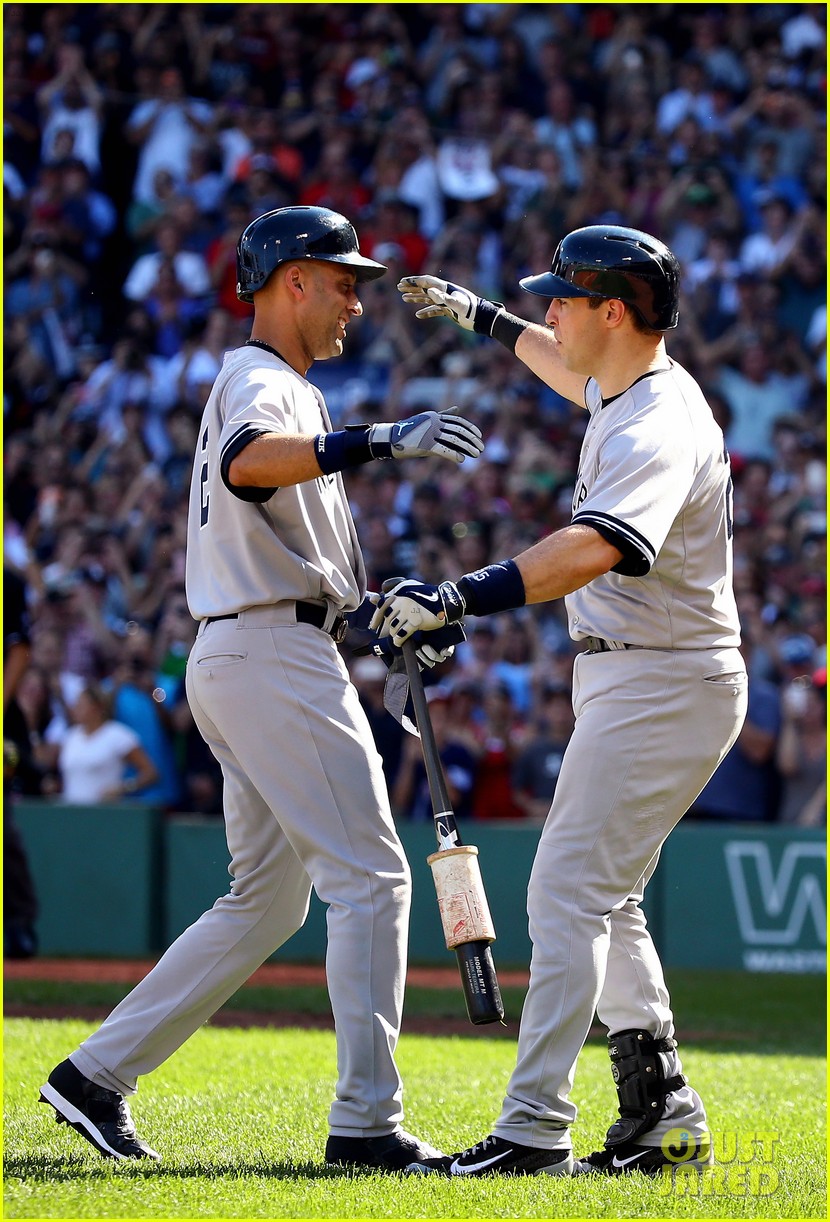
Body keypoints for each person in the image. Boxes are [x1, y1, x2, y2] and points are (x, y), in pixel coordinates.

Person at [39, 205, 482, 1169]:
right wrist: (383, 439)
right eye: (342, 281)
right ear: (291, 282)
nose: (356, 303)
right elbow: (247, 465)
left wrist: (385, 626)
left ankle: (91, 1077)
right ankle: (367, 1123)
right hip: (268, 653)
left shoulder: (286, 387)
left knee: (266, 903)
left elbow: (302, 558)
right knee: (372, 879)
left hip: (257, 649)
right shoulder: (259, 377)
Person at [372, 224, 748, 1177]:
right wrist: (484, 320)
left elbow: (598, 543)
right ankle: (661, 1108)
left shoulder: (662, 419)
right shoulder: (624, 385)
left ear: (612, 312)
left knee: (564, 891)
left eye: (563, 298)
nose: (549, 312)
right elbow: (559, 367)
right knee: (602, 893)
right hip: (636, 669)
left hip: (666, 676)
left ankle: (535, 1126)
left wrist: (458, 595)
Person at [57, 686, 159, 805]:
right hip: (71, 814)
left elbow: (151, 773)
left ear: (97, 707)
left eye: (81, 705)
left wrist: (124, 787)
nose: (76, 709)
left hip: (104, 813)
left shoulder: (118, 735)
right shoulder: (70, 736)